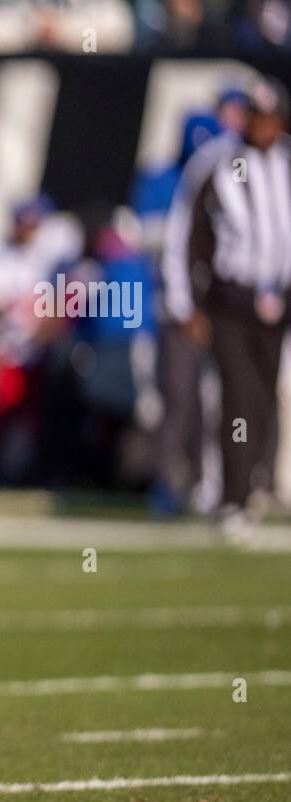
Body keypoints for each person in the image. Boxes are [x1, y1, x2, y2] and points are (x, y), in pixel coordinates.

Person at [162, 75, 291, 538]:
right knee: (237, 395)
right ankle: (231, 496)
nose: (263, 126)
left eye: (270, 117)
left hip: (277, 300)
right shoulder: (218, 163)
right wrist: (185, 303)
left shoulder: (286, 162)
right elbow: (184, 235)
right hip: (230, 300)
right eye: (256, 117)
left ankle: (255, 484)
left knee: (265, 396)